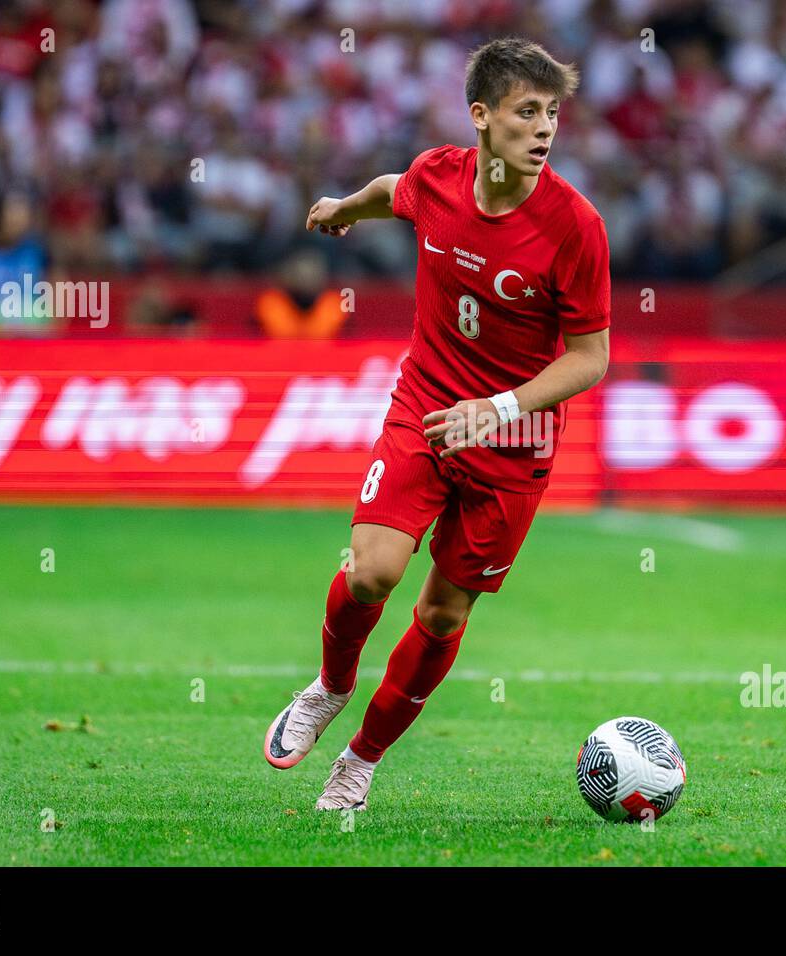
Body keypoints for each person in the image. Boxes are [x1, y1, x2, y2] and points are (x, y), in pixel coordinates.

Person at [262, 37, 611, 811]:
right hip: (425, 407)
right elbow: (396, 190)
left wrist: (500, 408)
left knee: (442, 611)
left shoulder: (574, 227)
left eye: (553, 113)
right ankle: (328, 686)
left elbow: (591, 358)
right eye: (527, 113)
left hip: (513, 444)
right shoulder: (439, 177)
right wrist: (344, 209)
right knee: (370, 573)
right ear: (482, 118)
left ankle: (360, 760)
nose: (545, 129)